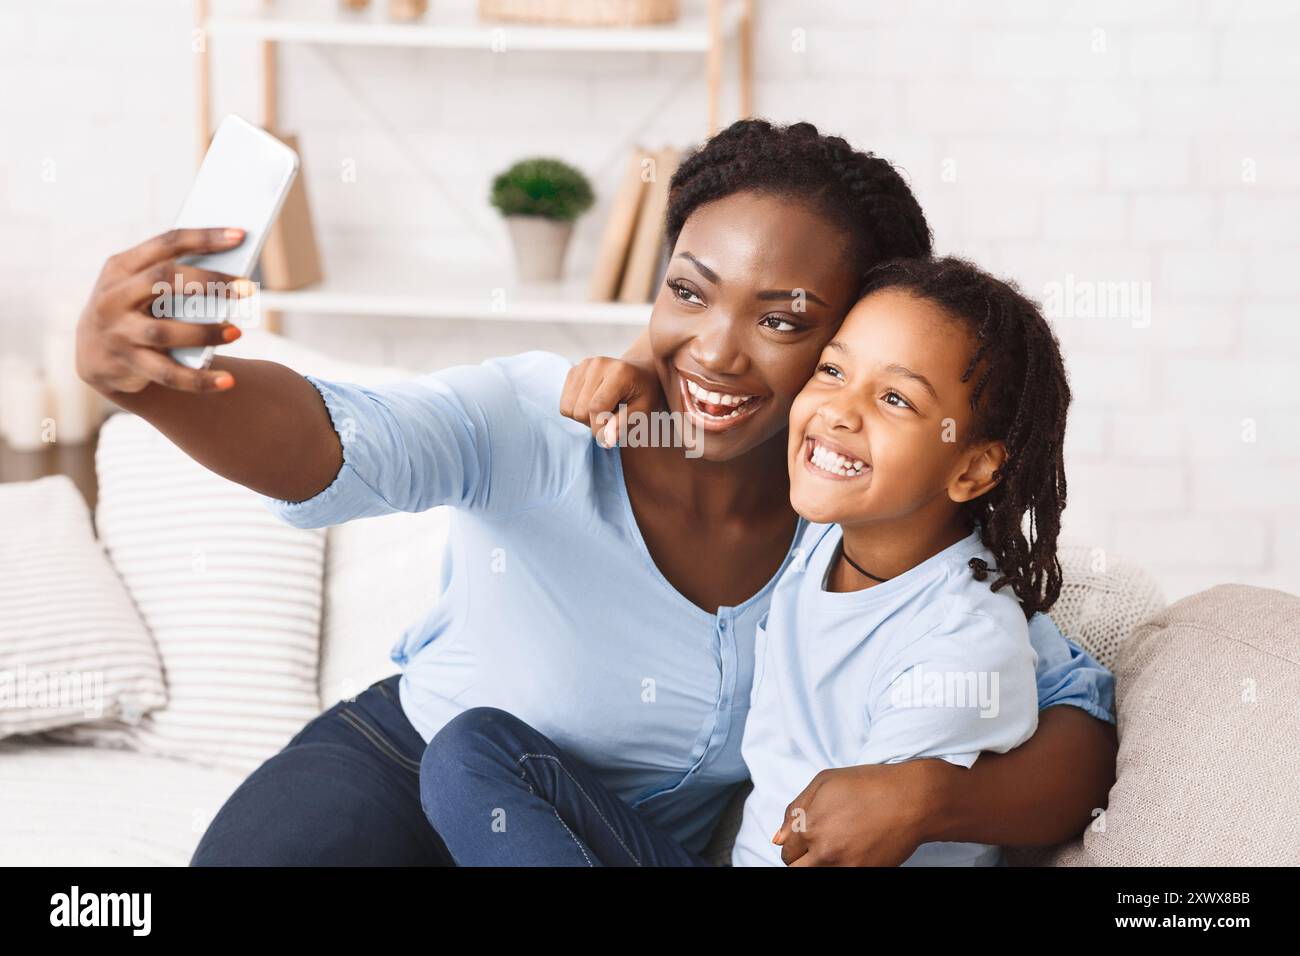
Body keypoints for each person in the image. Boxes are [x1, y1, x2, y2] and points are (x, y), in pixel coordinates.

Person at [74, 120, 1115, 866]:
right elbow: (333, 441)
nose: (714, 347)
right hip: (401, 770)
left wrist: (935, 794)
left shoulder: (864, 523)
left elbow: (1072, 718)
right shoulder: (546, 418)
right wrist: (162, 382)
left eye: (785, 321)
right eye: (687, 290)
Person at [417, 256, 1073, 866]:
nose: (839, 412)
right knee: (471, 753)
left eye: (896, 399)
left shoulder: (959, 645)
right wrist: (642, 365)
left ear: (975, 467)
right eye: (833, 371)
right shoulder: (824, 537)